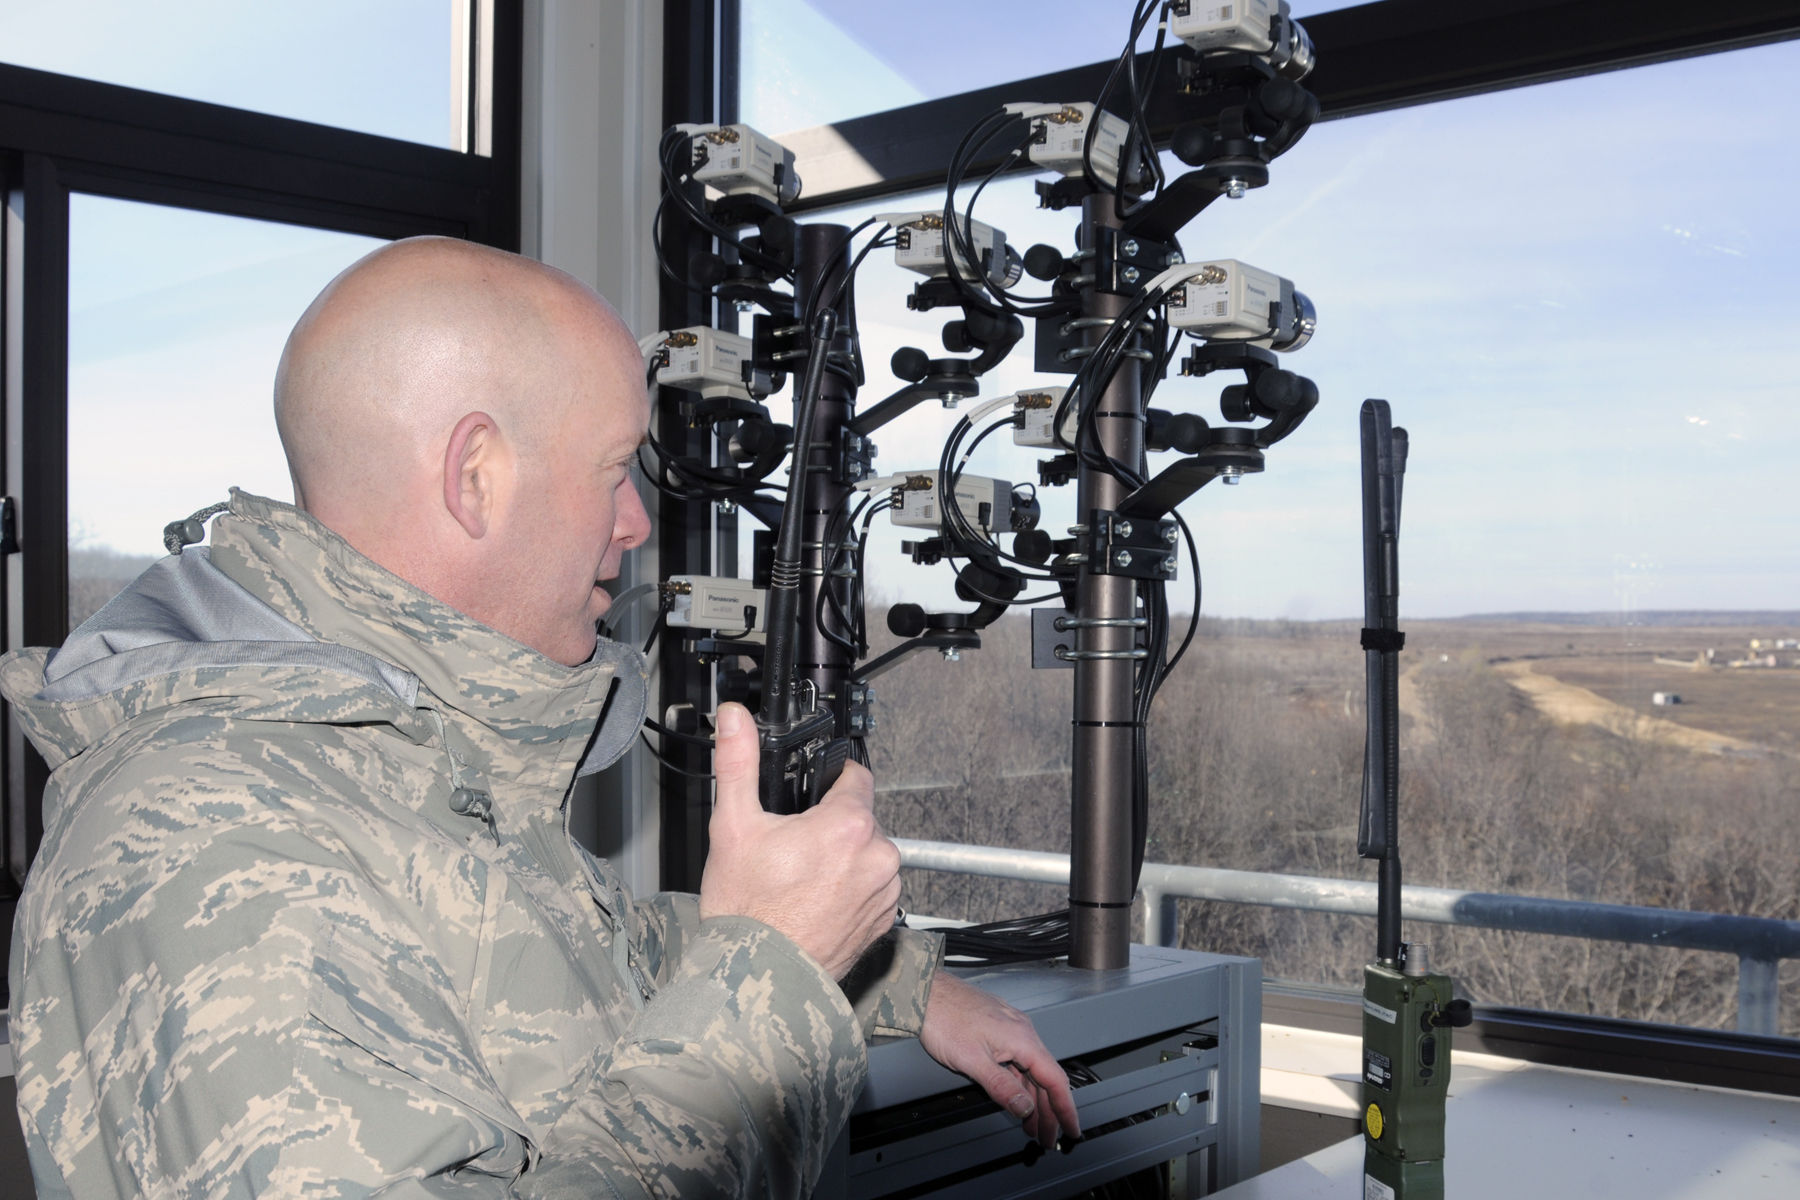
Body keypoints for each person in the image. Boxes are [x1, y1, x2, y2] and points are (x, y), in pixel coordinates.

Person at [1, 237, 1077, 1200]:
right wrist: (774, 983)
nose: (636, 522)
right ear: (477, 476)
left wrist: (885, 977)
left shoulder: (388, 749)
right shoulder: (209, 840)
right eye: (614, 469)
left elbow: (562, 964)